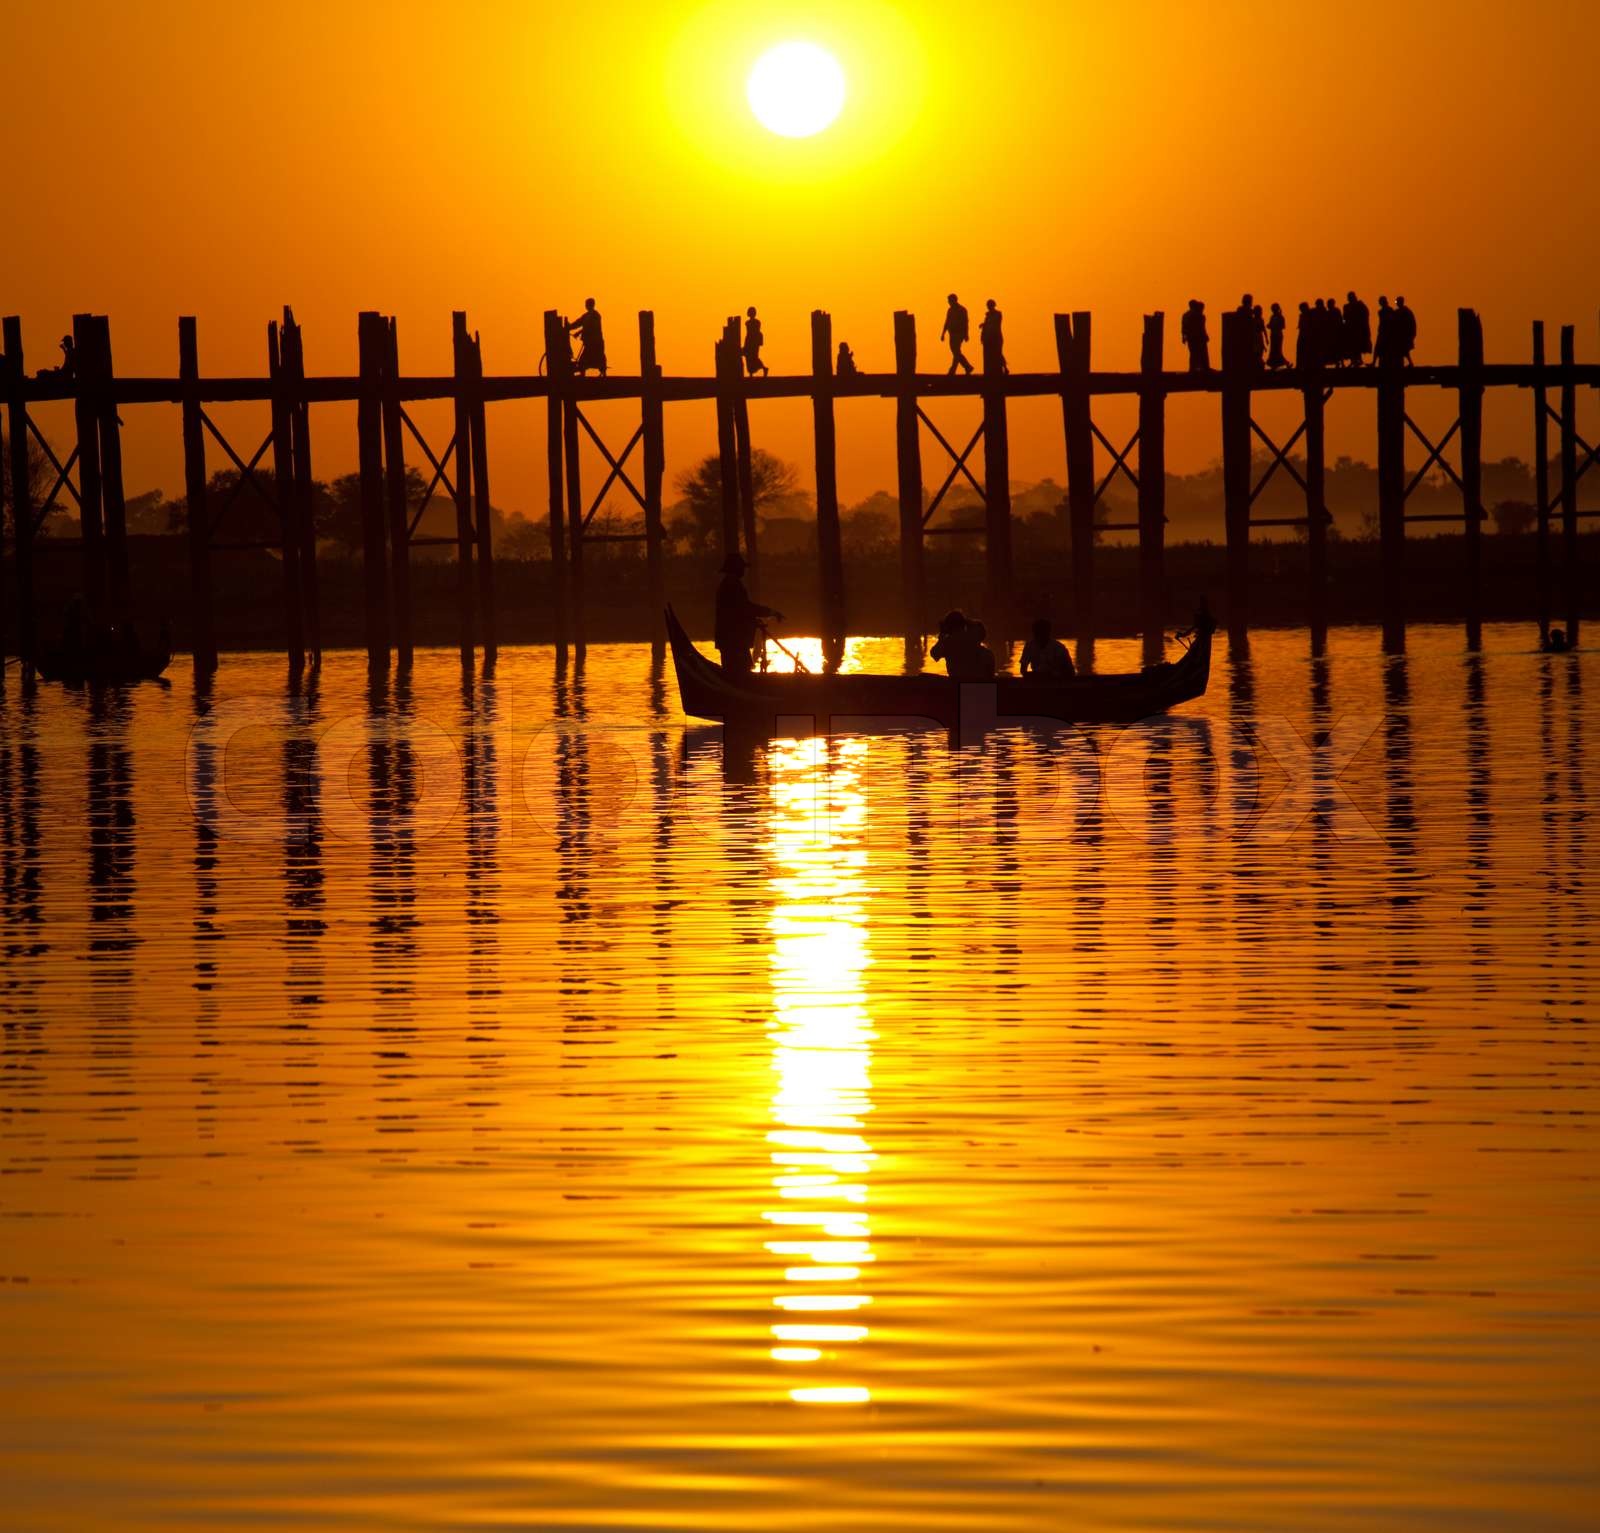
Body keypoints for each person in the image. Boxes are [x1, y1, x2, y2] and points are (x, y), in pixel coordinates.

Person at [714, 552, 781, 673]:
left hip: (731, 640)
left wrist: (753, 620)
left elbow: (739, 611)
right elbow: (745, 608)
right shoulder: (732, 585)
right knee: (740, 671)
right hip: (733, 641)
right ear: (735, 568)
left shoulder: (729, 584)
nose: (743, 570)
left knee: (737, 672)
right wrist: (771, 612)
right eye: (741, 567)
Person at [930, 610, 987, 680]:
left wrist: (942, 635)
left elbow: (934, 654)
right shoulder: (972, 639)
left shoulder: (948, 642)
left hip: (956, 685)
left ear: (948, 626)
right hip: (974, 685)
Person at [567, 299, 606, 376]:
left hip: (596, 342)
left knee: (597, 358)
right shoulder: (586, 316)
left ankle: (602, 373)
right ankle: (583, 373)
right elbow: (578, 322)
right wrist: (569, 327)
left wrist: (578, 332)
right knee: (585, 359)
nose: (586, 306)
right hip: (589, 342)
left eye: (587, 304)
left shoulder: (596, 315)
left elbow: (591, 327)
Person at [941, 293, 973, 376]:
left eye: (950, 300)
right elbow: (947, 322)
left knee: (956, 351)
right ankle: (967, 367)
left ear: (954, 300)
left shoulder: (962, 310)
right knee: (956, 352)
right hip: (951, 333)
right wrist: (943, 333)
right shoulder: (950, 310)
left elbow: (965, 322)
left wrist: (966, 334)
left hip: (959, 334)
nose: (948, 302)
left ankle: (953, 370)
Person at [1180, 299, 1210, 372]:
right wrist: (1205, 335)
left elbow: (1183, 327)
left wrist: (1183, 337)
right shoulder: (1199, 315)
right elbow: (1201, 327)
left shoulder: (1185, 315)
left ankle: (1193, 369)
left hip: (1191, 338)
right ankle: (1203, 368)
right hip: (1198, 338)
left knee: (1193, 353)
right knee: (1201, 353)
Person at [978, 299, 1007, 373]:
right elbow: (986, 327)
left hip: (996, 337)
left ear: (993, 305)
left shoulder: (998, 314)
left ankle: (1005, 368)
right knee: (989, 355)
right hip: (988, 338)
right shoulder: (987, 315)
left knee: (998, 353)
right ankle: (991, 370)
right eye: (988, 305)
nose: (988, 307)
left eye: (990, 305)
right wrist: (983, 336)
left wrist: (984, 324)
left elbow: (995, 324)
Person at [1343, 291, 1372, 366]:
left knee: (1357, 346)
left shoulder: (1360, 305)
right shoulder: (1346, 307)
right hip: (1350, 329)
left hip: (1358, 329)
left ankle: (1358, 360)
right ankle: (1354, 361)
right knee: (1352, 346)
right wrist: (1343, 324)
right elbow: (1344, 317)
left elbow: (1365, 314)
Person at [743, 307, 768, 377]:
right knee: (749, 356)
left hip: (753, 342)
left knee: (753, 357)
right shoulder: (749, 322)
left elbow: (753, 333)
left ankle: (763, 368)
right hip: (750, 341)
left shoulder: (754, 323)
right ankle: (752, 373)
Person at [1323, 297, 1345, 367]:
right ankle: (1338, 363)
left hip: (1336, 332)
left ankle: (1341, 363)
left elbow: (1341, 320)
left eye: (1329, 304)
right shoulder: (1328, 312)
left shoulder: (1336, 311)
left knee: (1338, 349)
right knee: (1333, 349)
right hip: (1330, 333)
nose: (1328, 305)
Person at [1266, 302, 1289, 369]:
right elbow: (1270, 324)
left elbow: (1283, 326)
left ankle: (1285, 363)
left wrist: (1274, 326)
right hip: (1273, 335)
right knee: (1273, 350)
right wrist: (1269, 326)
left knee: (1278, 350)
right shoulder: (1272, 317)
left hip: (1278, 335)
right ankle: (1274, 365)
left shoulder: (1280, 317)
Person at [1373, 295, 1395, 365]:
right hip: (1382, 331)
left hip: (1387, 332)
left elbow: (1391, 321)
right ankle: (1374, 362)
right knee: (1378, 347)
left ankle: (1375, 362)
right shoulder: (1381, 311)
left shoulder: (1389, 310)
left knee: (1382, 347)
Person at [1395, 296, 1416, 366]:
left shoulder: (1405, 312)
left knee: (1404, 350)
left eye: (1397, 302)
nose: (1396, 303)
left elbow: (1411, 324)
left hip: (1405, 335)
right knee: (1403, 351)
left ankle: (1409, 363)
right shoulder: (1404, 311)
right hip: (1402, 335)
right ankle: (1407, 363)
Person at [1295, 301, 1315, 369]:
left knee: (1307, 349)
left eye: (1302, 308)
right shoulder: (1301, 315)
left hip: (1308, 334)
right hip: (1302, 333)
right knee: (1300, 349)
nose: (1301, 310)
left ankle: (1307, 364)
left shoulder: (1311, 314)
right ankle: (1300, 365)